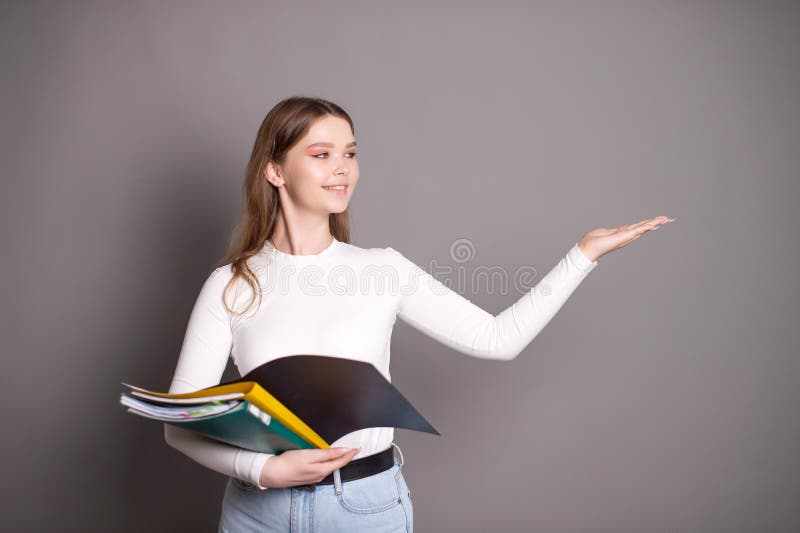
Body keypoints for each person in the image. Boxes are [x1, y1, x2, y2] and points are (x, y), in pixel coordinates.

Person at [163, 95, 673, 532]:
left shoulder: (383, 270)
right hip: (258, 513)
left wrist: (582, 255)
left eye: (351, 153)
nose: (343, 168)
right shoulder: (231, 284)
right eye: (321, 154)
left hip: (362, 506)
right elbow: (180, 422)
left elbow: (498, 339)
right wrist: (261, 472)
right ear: (275, 171)